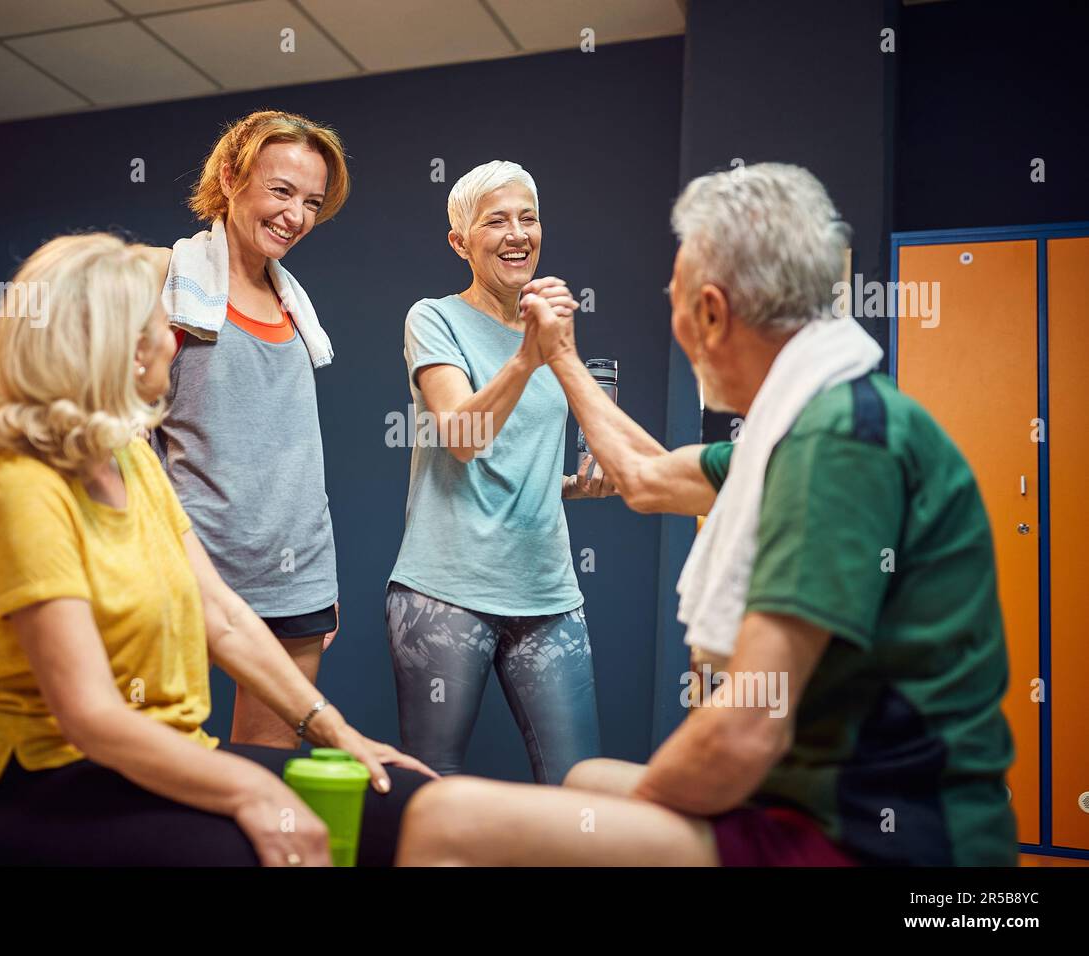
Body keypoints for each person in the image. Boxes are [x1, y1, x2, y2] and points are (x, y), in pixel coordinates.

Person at [395, 163, 1017, 866]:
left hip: (875, 836)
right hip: (821, 789)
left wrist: (638, 816)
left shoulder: (835, 448)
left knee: (450, 817)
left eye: (677, 297)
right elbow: (646, 478)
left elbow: (741, 734)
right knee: (586, 780)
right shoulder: (811, 423)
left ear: (713, 312)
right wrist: (558, 356)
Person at [0, 232, 434, 867]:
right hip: (32, 785)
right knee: (272, 847)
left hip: (157, 754)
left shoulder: (133, 461)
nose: (173, 341)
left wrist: (342, 735)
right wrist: (250, 787)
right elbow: (89, 718)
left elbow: (221, 614)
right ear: (107, 347)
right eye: (155, 327)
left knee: (409, 799)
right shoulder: (23, 491)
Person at [386, 160, 615, 786]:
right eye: (497, 222)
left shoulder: (547, 327)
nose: (518, 234)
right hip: (446, 586)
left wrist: (588, 479)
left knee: (581, 786)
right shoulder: (434, 318)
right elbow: (461, 437)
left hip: (546, 589)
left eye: (529, 218)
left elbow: (519, 461)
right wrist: (529, 356)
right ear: (461, 242)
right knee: (437, 786)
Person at [151, 111, 346, 749]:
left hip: (294, 571)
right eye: (282, 192)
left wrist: (322, 574)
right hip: (188, 561)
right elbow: (127, 432)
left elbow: (297, 446)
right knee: (155, 756)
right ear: (231, 178)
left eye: (312, 202)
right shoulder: (170, 280)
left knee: (267, 770)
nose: (296, 216)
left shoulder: (296, 304)